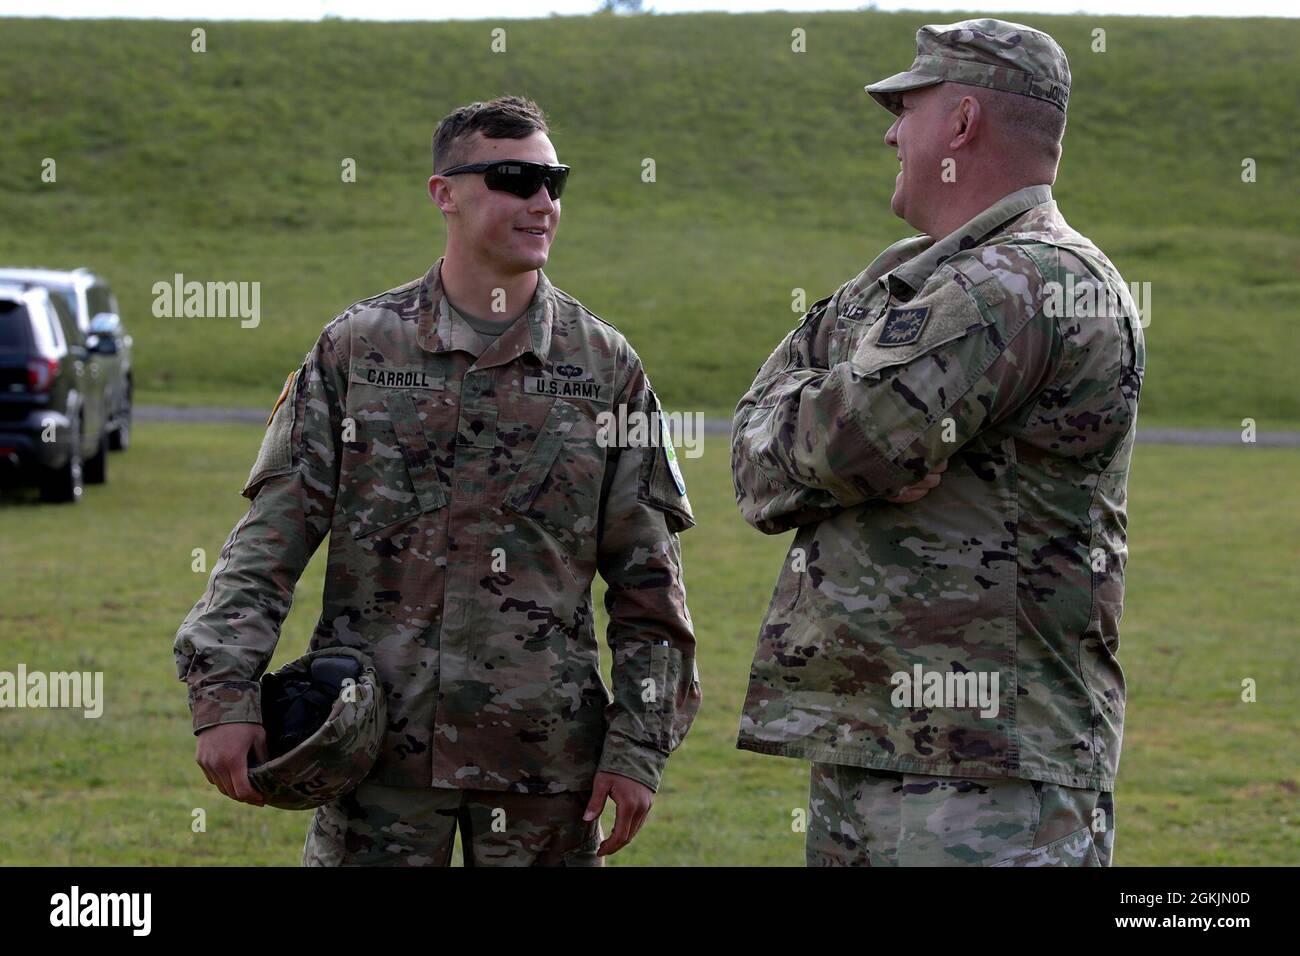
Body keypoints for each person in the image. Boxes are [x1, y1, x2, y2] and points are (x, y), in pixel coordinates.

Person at [174, 95, 700, 867]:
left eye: (555, 181)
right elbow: (270, 540)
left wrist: (639, 746)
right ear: (444, 193)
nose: (543, 202)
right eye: (515, 179)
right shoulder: (358, 350)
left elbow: (651, 587)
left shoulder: (604, 368)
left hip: (544, 769)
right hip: (376, 755)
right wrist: (224, 692)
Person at [731, 19, 1145, 866]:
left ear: (961, 124)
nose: (889, 131)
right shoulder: (919, 278)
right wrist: (831, 419)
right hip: (896, 749)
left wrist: (828, 422)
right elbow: (760, 445)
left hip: (984, 775)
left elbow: (841, 445)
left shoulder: (1020, 283)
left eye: (905, 108)